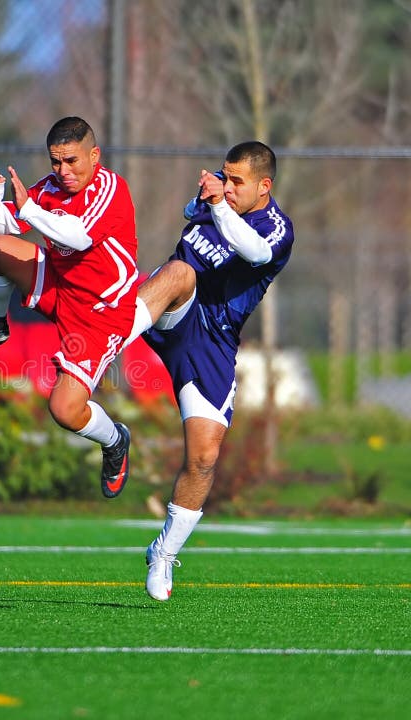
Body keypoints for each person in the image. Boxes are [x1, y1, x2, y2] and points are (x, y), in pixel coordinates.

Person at [125, 141, 294, 601]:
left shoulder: (276, 227)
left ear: (264, 186)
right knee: (182, 272)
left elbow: (254, 252)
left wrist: (217, 204)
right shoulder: (216, 197)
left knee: (204, 457)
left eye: (238, 181)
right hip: (173, 306)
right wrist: (204, 196)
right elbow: (190, 212)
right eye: (225, 175)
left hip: (213, 340)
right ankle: (110, 340)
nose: (228, 186)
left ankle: (163, 553)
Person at [0, 116, 139, 498]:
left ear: (94, 156)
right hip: (60, 285)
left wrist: (30, 209)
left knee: (64, 410)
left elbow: (79, 237)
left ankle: (115, 440)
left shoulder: (110, 187)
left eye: (72, 161)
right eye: (56, 161)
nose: (63, 171)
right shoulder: (50, 188)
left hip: (101, 313)